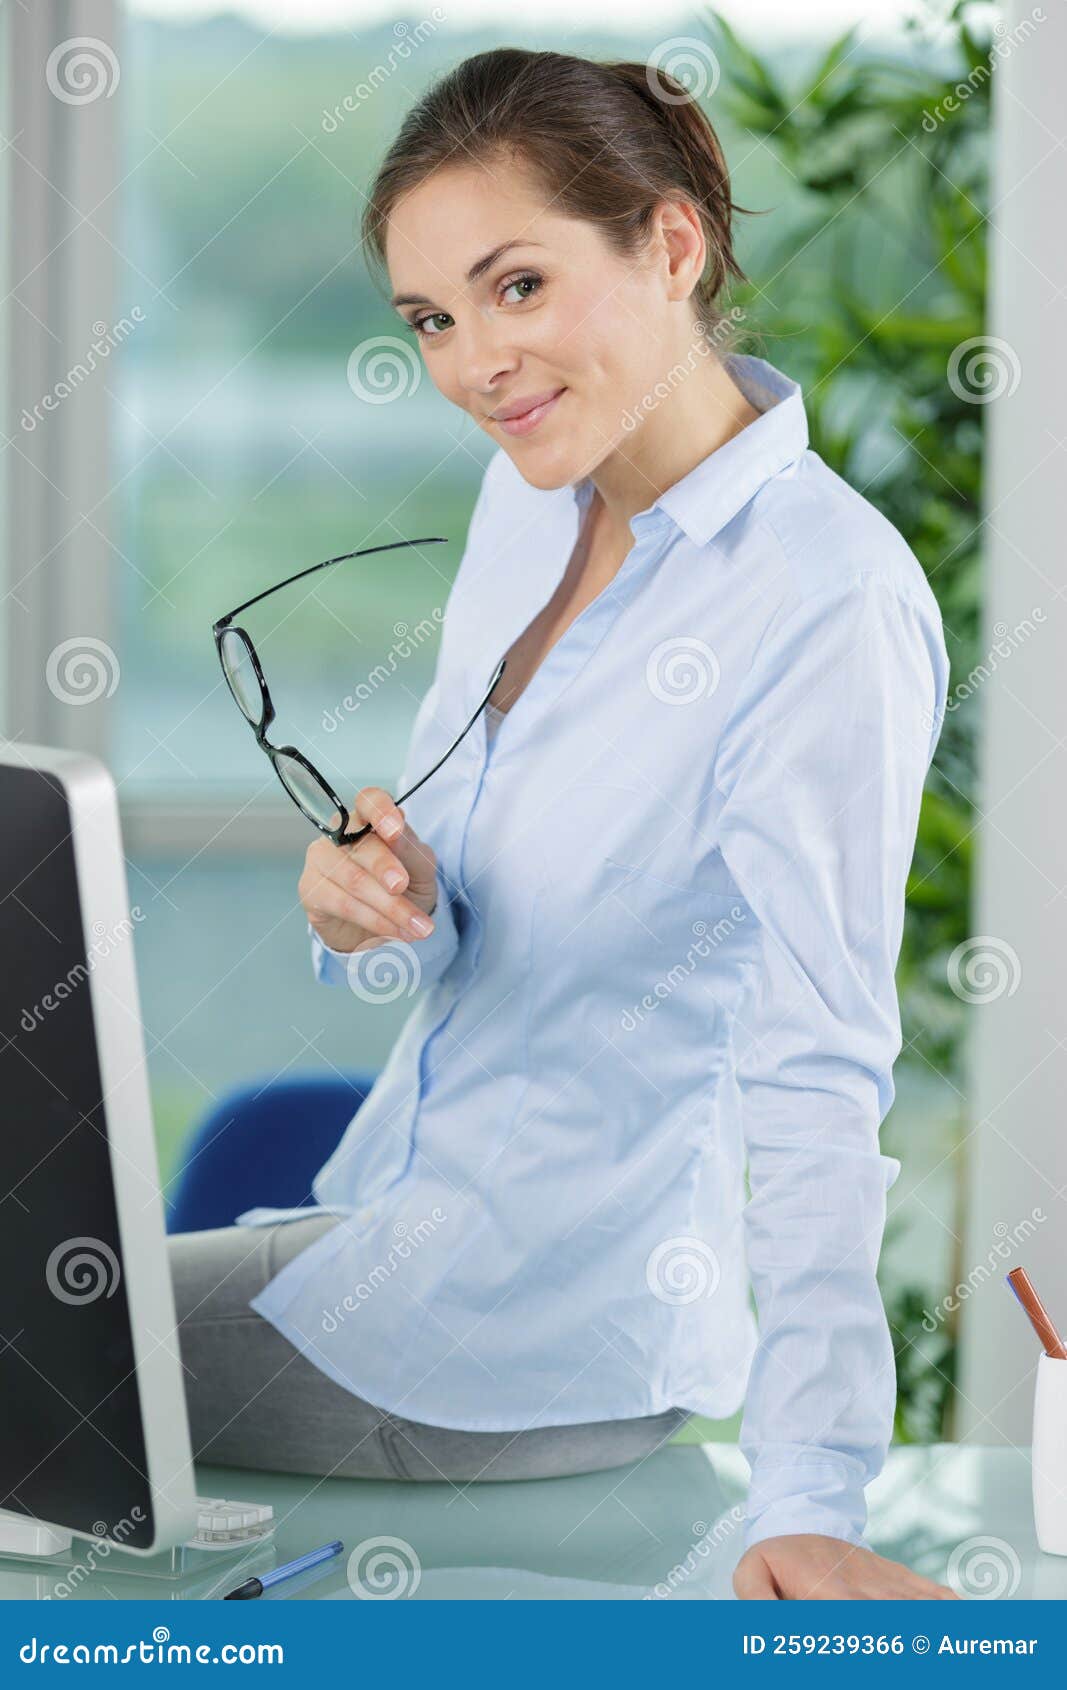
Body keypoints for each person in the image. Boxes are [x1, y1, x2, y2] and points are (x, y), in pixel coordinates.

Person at [171, 47, 956, 1601]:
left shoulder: (825, 602)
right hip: (387, 1233)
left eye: (516, 286)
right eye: (432, 320)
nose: (474, 362)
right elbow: (458, 913)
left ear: (671, 245)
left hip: (531, 1334)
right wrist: (377, 903)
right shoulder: (532, 498)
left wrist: (811, 1496)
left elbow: (819, 1077)